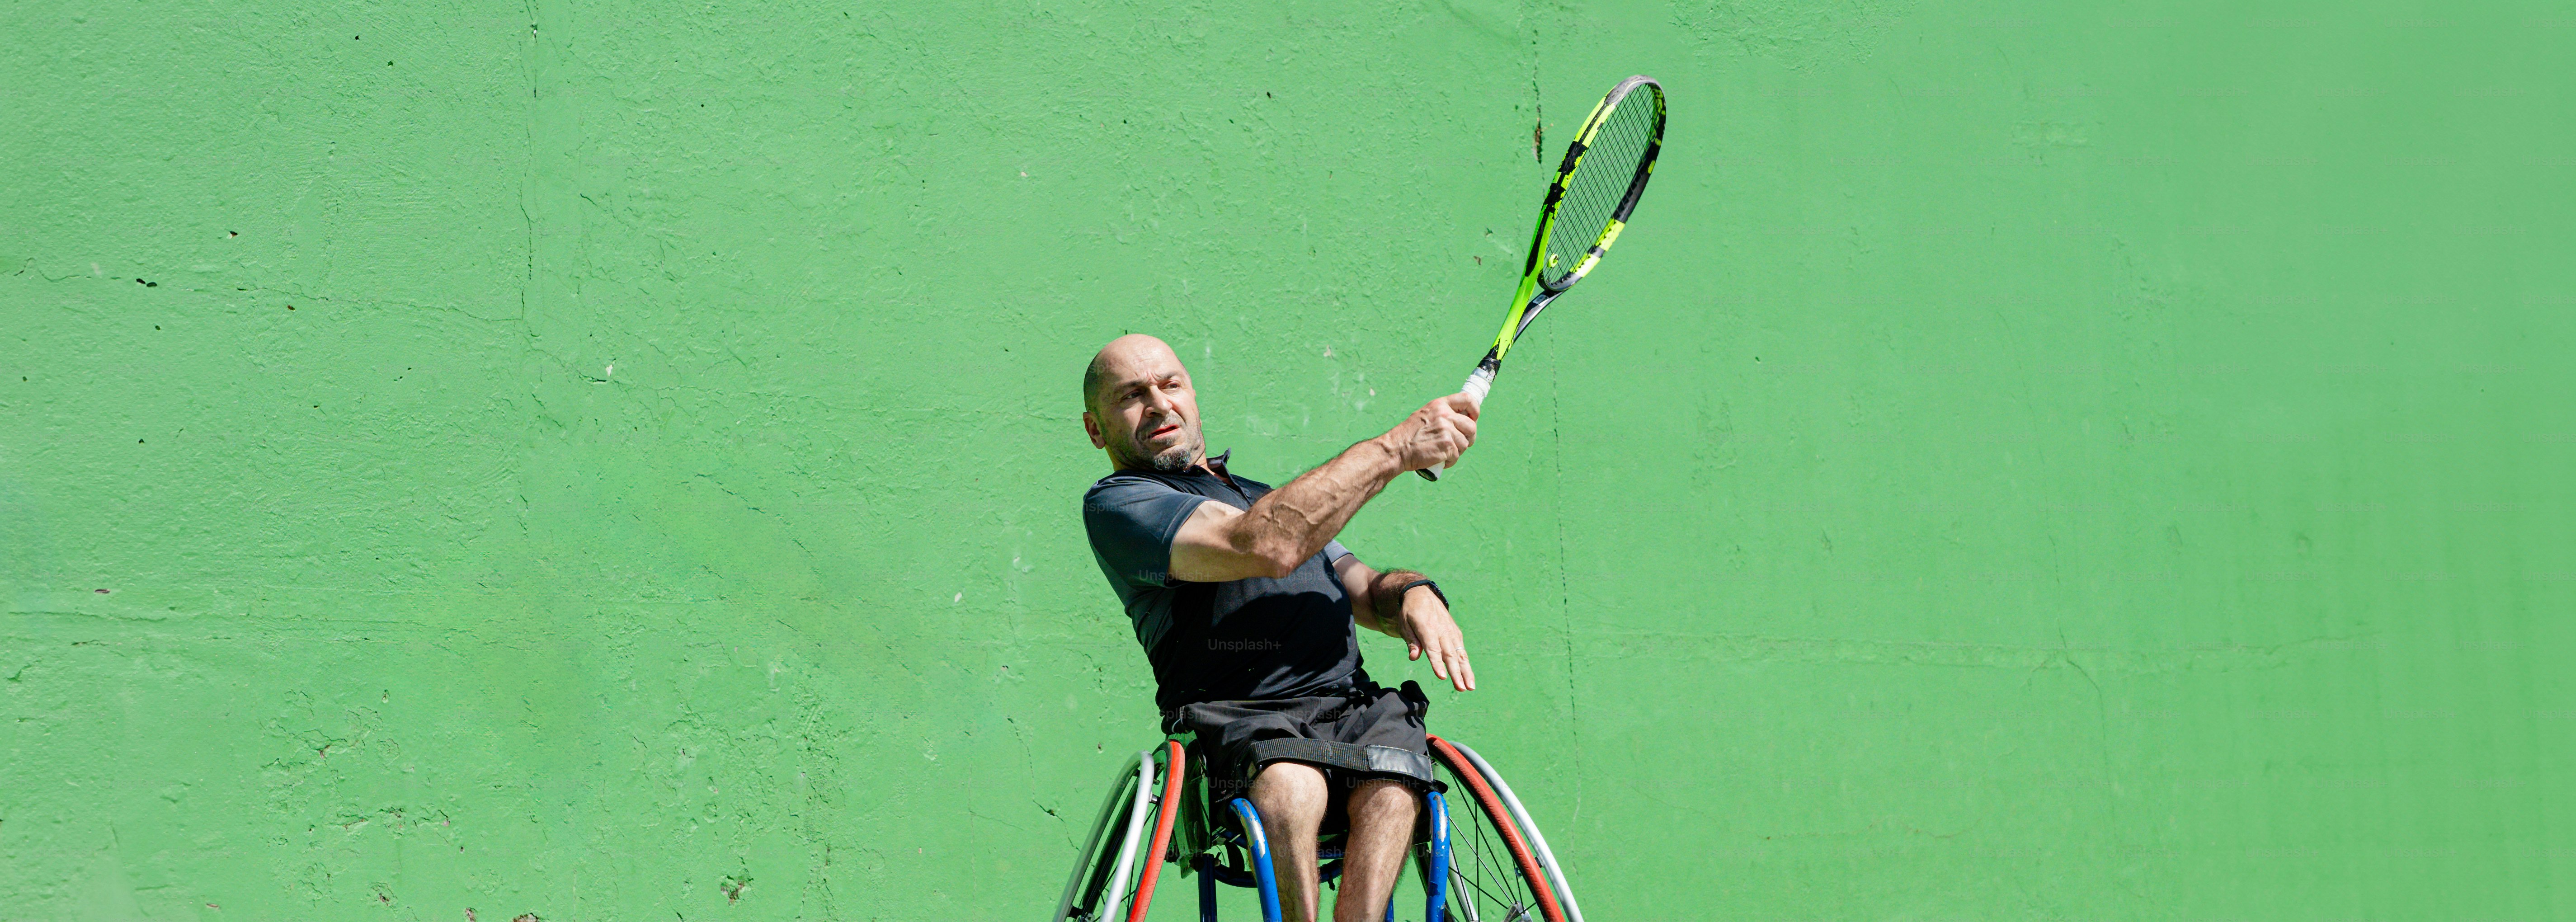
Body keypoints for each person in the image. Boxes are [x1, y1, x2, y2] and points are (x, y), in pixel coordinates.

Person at [1078, 334, 1479, 922]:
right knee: (1293, 785)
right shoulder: (1122, 506)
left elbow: (1364, 587)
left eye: (1170, 385)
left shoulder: (1265, 497)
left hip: (1354, 711)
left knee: (1397, 785)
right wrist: (1397, 448)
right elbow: (1265, 543)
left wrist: (1414, 592)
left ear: (1192, 394)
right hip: (1242, 718)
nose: (1160, 405)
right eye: (1131, 396)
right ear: (1096, 429)